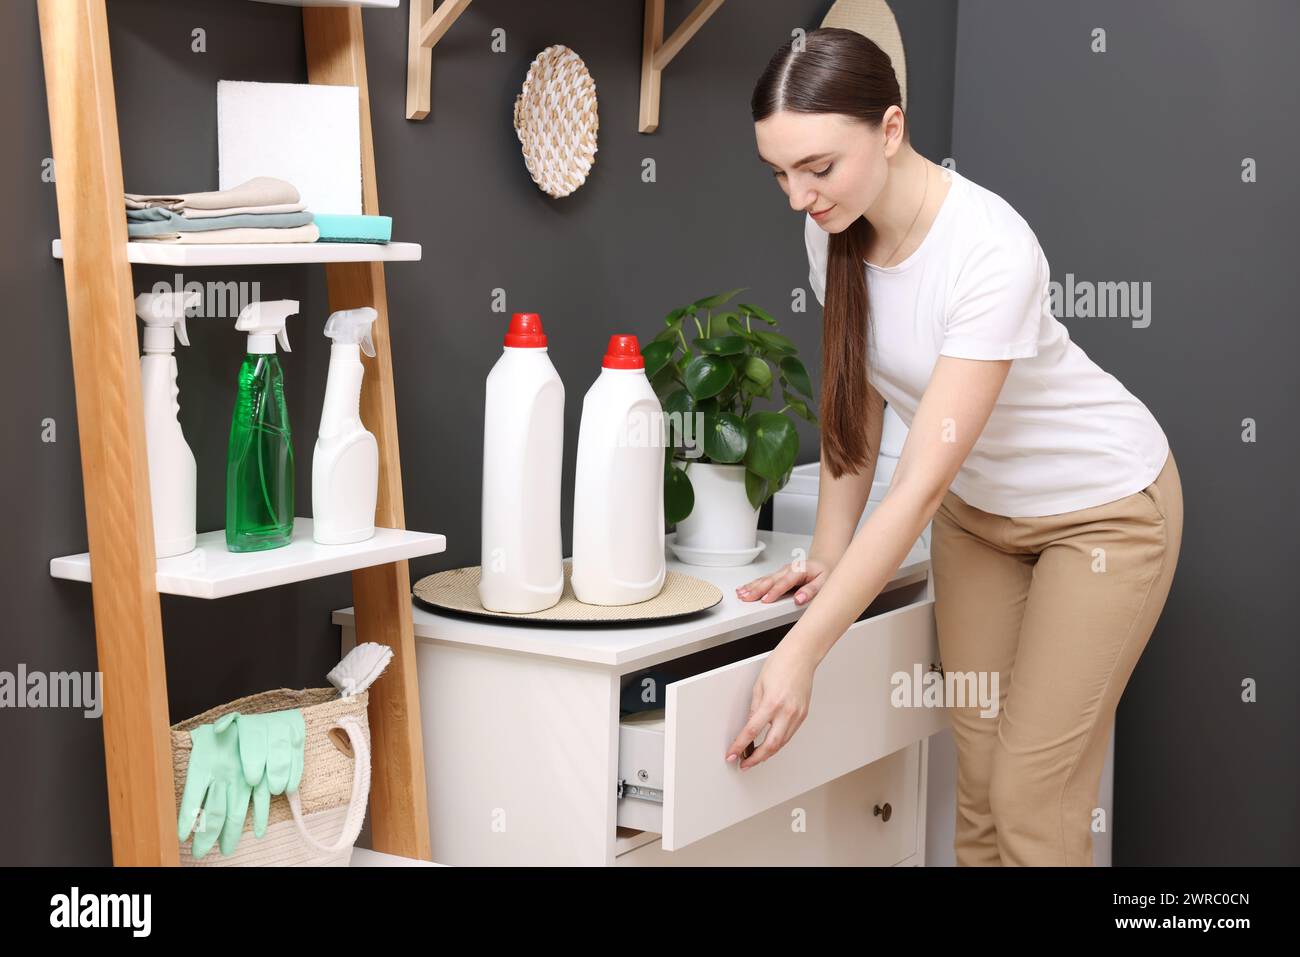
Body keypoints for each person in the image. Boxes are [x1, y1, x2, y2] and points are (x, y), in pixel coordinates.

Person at [730, 28, 1183, 866]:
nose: (798, 196)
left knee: (1030, 804)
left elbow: (916, 487)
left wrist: (802, 653)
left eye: (818, 168)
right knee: (975, 792)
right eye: (780, 174)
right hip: (980, 520)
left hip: (1103, 516)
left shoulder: (989, 250)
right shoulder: (832, 225)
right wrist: (828, 554)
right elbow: (852, 397)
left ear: (892, 128)